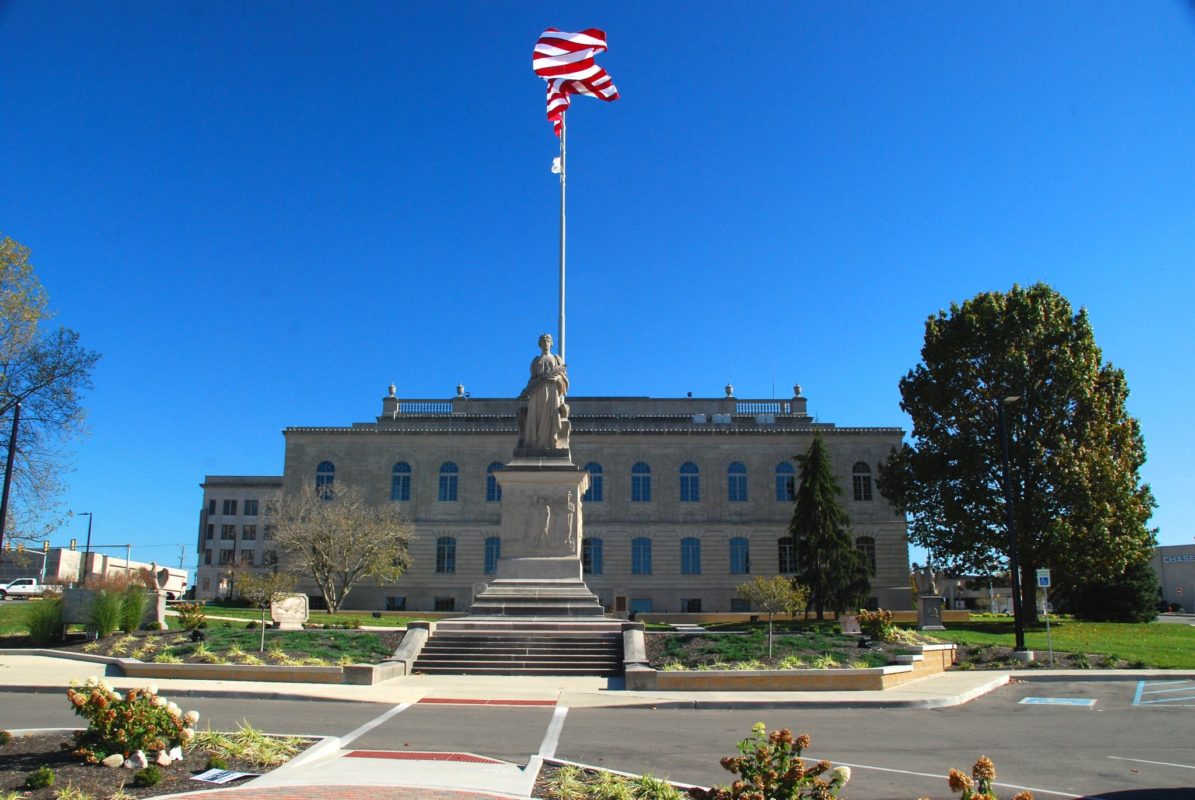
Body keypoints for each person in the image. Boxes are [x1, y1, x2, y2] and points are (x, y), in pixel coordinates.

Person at [517, 333, 570, 451]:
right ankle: (535, 443)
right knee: (536, 417)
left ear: (551, 343)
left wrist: (556, 379)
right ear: (539, 344)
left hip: (552, 392)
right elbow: (532, 379)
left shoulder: (556, 359)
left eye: (548, 341)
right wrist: (527, 390)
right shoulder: (536, 361)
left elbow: (564, 378)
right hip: (537, 393)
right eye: (543, 341)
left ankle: (549, 442)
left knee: (550, 416)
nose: (546, 343)